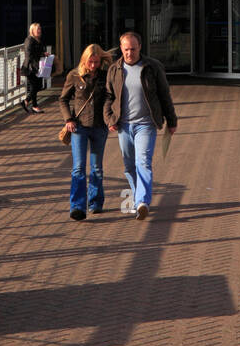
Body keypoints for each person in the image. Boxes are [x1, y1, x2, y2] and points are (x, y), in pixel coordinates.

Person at [105, 31, 177, 220]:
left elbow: (164, 94)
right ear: (121, 48)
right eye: (126, 49)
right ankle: (138, 196)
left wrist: (171, 121)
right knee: (129, 166)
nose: (130, 53)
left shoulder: (152, 67)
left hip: (146, 124)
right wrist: (109, 119)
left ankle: (143, 201)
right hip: (124, 125)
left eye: (133, 49)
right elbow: (109, 96)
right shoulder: (115, 69)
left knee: (143, 162)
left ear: (140, 48)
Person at [60, 43, 110, 221]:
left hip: (99, 126)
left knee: (96, 167)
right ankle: (77, 206)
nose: (94, 65)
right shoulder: (74, 75)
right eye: (91, 62)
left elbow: (111, 98)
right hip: (79, 127)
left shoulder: (105, 76)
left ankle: (95, 203)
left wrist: (109, 118)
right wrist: (68, 119)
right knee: (78, 167)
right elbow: (63, 99)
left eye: (97, 62)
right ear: (84, 60)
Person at [21, 22, 45, 114]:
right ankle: (28, 102)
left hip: (38, 66)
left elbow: (39, 51)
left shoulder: (38, 40)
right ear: (32, 30)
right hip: (30, 67)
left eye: (40, 29)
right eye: (37, 29)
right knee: (35, 86)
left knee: (36, 86)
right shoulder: (29, 40)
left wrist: (43, 54)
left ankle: (33, 105)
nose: (39, 31)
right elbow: (29, 54)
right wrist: (41, 55)